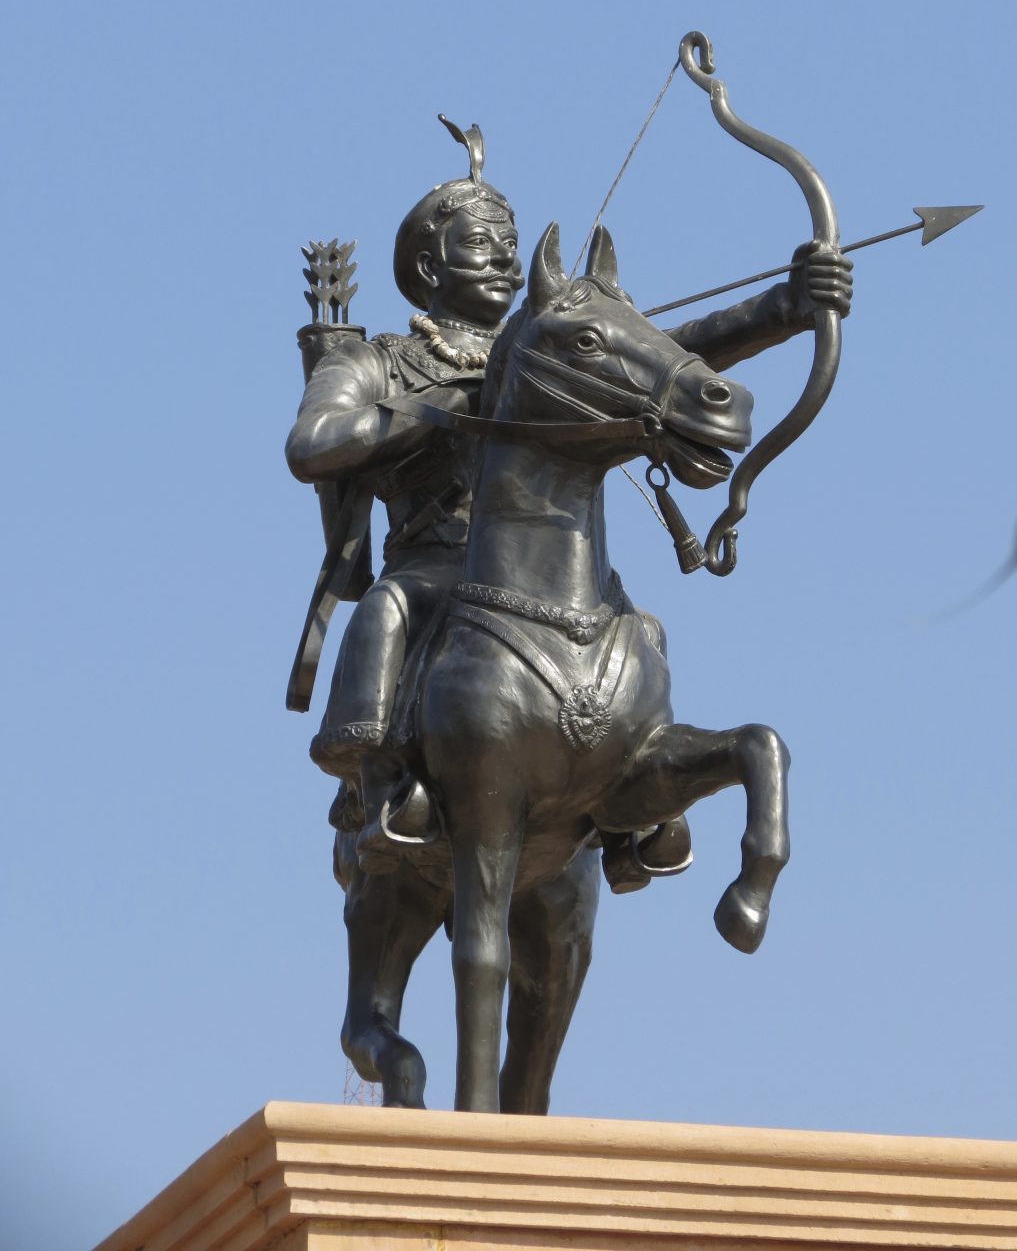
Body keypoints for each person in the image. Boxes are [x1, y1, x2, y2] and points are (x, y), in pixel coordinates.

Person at [286, 118, 852, 876]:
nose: (504, 257)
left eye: (509, 241)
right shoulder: (382, 359)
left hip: (552, 574)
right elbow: (314, 443)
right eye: (480, 241)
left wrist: (789, 304)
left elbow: (673, 355)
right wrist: (442, 402)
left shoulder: (544, 346)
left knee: (640, 633)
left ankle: (639, 816)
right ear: (428, 265)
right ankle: (385, 789)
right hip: (437, 566)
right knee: (386, 611)